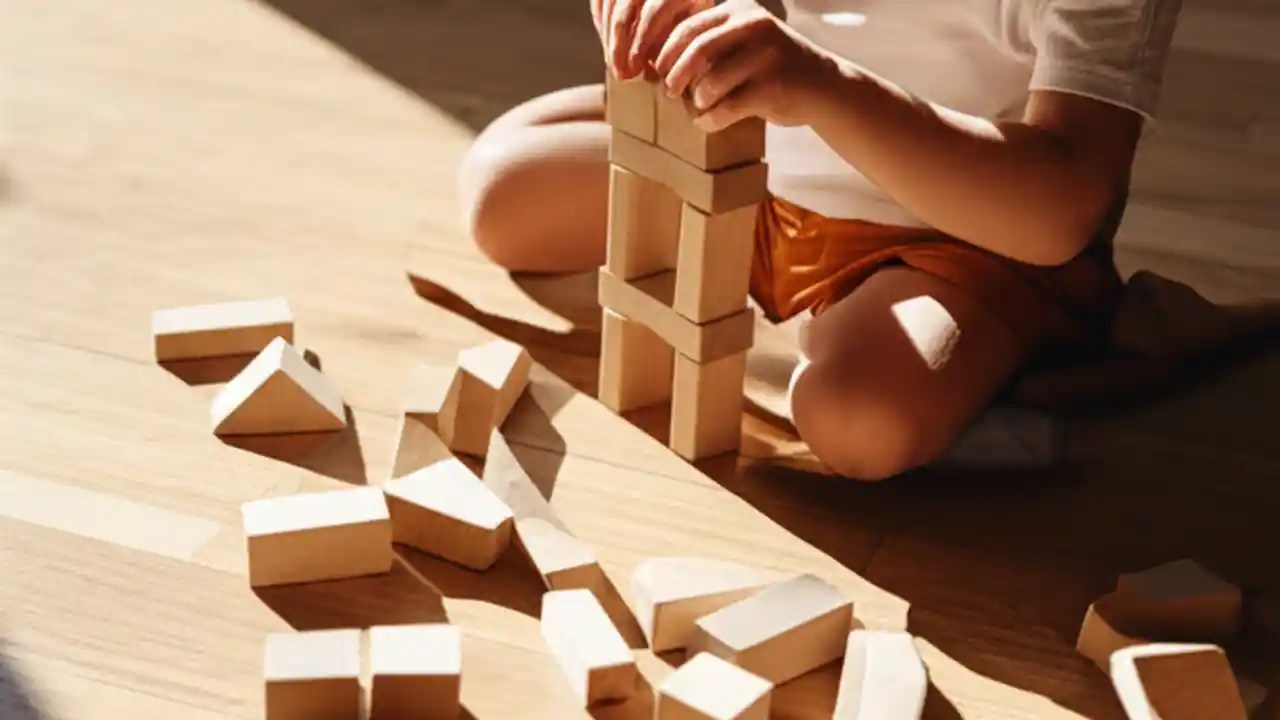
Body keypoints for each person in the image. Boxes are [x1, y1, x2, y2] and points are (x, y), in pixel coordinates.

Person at [458, 0, 1183, 480]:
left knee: (859, 420)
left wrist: (827, 86)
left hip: (961, 242)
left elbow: (1060, 211)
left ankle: (1008, 361)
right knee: (504, 192)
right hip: (773, 174)